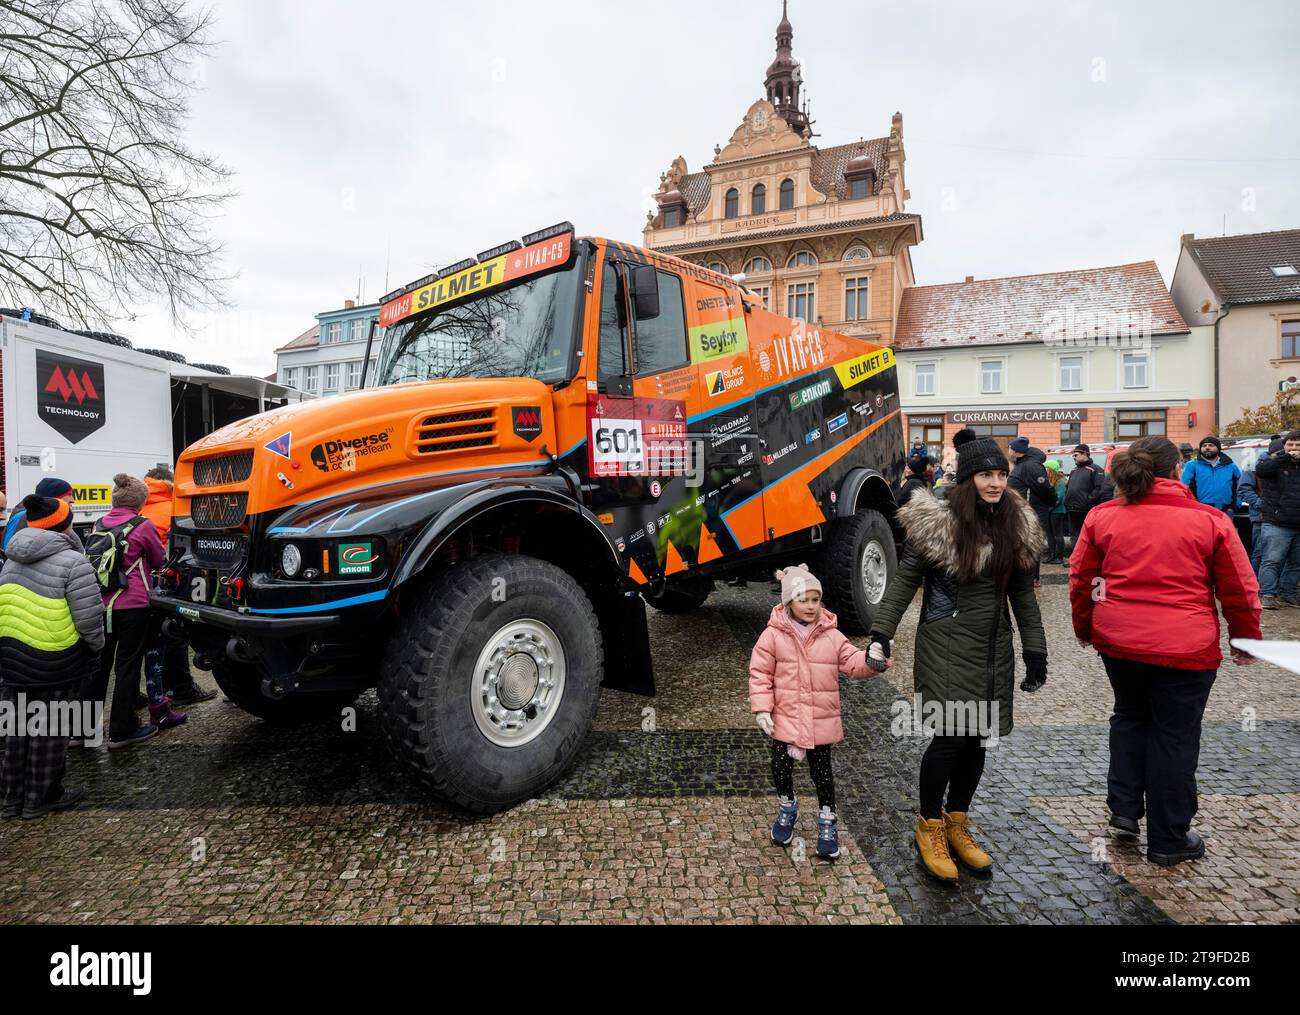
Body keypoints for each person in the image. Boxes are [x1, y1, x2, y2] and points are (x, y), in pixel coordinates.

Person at [1070, 436, 1260, 867]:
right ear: (1177, 470)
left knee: (1130, 716)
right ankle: (1170, 837)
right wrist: (1244, 638)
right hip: (1185, 646)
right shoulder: (1210, 520)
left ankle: (1124, 806)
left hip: (1120, 641)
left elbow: (1083, 581)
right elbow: (1239, 589)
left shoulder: (1103, 516)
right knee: (1174, 735)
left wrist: (1086, 628)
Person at [868, 428, 1047, 883]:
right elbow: (904, 582)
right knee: (951, 737)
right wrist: (880, 634)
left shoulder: (1015, 525)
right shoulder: (939, 525)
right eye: (986, 475)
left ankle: (957, 822)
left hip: (992, 650)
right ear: (968, 479)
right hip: (946, 645)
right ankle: (929, 826)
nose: (995, 482)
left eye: (1001, 474)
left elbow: (1023, 596)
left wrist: (1035, 650)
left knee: (978, 738)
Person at [749, 563, 879, 861]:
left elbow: (853, 662)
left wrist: (873, 660)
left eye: (815, 599)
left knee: (822, 774)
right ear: (788, 602)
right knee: (780, 768)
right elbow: (760, 674)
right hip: (785, 720)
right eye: (803, 600)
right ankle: (787, 807)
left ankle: (827, 820)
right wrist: (762, 708)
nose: (810, 606)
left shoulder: (832, 636)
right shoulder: (772, 636)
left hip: (820, 721)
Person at [0, 495, 104, 819]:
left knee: (16, 727)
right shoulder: (73, 562)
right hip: (56, 656)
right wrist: (96, 647)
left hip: (13, 654)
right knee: (51, 728)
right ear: (65, 525)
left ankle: (12, 799)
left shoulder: (11, 557)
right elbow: (88, 617)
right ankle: (41, 798)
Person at [83, 474, 165, 748]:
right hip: (132, 605)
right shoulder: (143, 525)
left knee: (98, 666)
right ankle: (122, 729)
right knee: (127, 666)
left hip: (100, 603)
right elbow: (159, 560)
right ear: (140, 502)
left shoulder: (98, 523)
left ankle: (82, 730)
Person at [140, 466, 216, 707]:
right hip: (166, 580)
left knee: (148, 641)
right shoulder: (175, 508)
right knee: (175, 633)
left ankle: (155, 691)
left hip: (136, 584)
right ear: (170, 484)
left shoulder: (137, 506)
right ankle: (182, 689)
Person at [1253, 430, 1300, 610]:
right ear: (1284, 446)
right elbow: (1261, 471)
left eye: (1298, 445)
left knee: (1296, 563)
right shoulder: (1273, 462)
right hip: (1276, 523)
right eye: (1290, 444)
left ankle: (1288, 594)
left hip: (1298, 523)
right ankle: (1267, 594)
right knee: (1272, 560)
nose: (1294, 448)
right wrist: (1286, 458)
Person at [1063, 444, 1111, 559]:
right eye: (1073, 455)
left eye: (1076, 455)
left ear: (1085, 454)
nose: (1074, 457)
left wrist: (1088, 501)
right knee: (1074, 536)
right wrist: (1066, 500)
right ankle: (1076, 558)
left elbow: (1099, 488)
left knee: (1087, 536)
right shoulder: (1074, 470)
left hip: (1086, 509)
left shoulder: (1096, 469)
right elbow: (1069, 487)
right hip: (1072, 508)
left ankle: (1087, 559)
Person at [3, 478, 75, 550]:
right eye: (69, 495)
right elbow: (9, 549)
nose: (72, 500)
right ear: (54, 498)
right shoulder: (22, 517)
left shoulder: (50, 516)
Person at [1181, 436, 1241, 515]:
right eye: (1204, 446)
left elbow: (1239, 487)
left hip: (1226, 511)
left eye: (1211, 445)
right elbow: (1185, 487)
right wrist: (1193, 506)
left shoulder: (1231, 466)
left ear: (1218, 448)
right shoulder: (1192, 465)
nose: (1207, 447)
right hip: (1200, 511)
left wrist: (1234, 506)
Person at [1044, 459, 1069, 564]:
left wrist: (1047, 508)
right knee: (1049, 534)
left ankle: (1059, 557)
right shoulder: (1047, 480)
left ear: (1051, 469)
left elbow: (1058, 498)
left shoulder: (1061, 481)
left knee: (1057, 534)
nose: (1044, 470)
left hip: (1057, 511)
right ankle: (1051, 555)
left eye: (1046, 468)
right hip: (1048, 511)